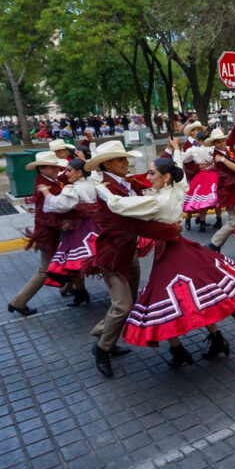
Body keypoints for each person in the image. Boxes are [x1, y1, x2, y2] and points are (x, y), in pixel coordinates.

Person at [88, 158, 235, 366]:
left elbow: (118, 205)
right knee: (194, 297)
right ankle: (211, 340)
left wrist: (103, 191)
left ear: (165, 177)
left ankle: (179, 349)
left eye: (151, 173)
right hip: (179, 247)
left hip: (169, 251)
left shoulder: (157, 201)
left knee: (165, 300)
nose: (147, 177)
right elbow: (175, 175)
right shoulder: (178, 188)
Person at [84, 141, 153, 377]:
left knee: (128, 303)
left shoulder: (129, 182)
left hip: (129, 251)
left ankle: (103, 334)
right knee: (123, 305)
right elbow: (128, 214)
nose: (126, 162)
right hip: (112, 254)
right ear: (106, 164)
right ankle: (102, 349)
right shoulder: (105, 189)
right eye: (119, 159)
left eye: (125, 158)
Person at [7, 151, 68, 317]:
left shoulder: (49, 181)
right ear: (41, 168)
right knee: (45, 270)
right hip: (48, 235)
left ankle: (70, 288)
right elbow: (47, 214)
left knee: (69, 260)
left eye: (57, 166)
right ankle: (18, 302)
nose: (57, 169)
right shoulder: (43, 186)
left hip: (51, 233)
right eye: (53, 167)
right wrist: (65, 223)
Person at [39, 158, 98, 307]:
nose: (66, 173)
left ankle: (81, 293)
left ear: (79, 172)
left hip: (80, 228)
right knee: (93, 260)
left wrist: (46, 193)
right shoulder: (92, 183)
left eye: (69, 170)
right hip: (96, 226)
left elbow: (61, 205)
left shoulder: (73, 189)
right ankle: (80, 292)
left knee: (74, 263)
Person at [206, 121, 235, 252]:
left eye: (223, 140)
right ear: (214, 144)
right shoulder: (218, 158)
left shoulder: (228, 149)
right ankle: (213, 243)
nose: (222, 144)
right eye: (218, 142)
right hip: (229, 192)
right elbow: (225, 176)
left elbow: (233, 136)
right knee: (234, 222)